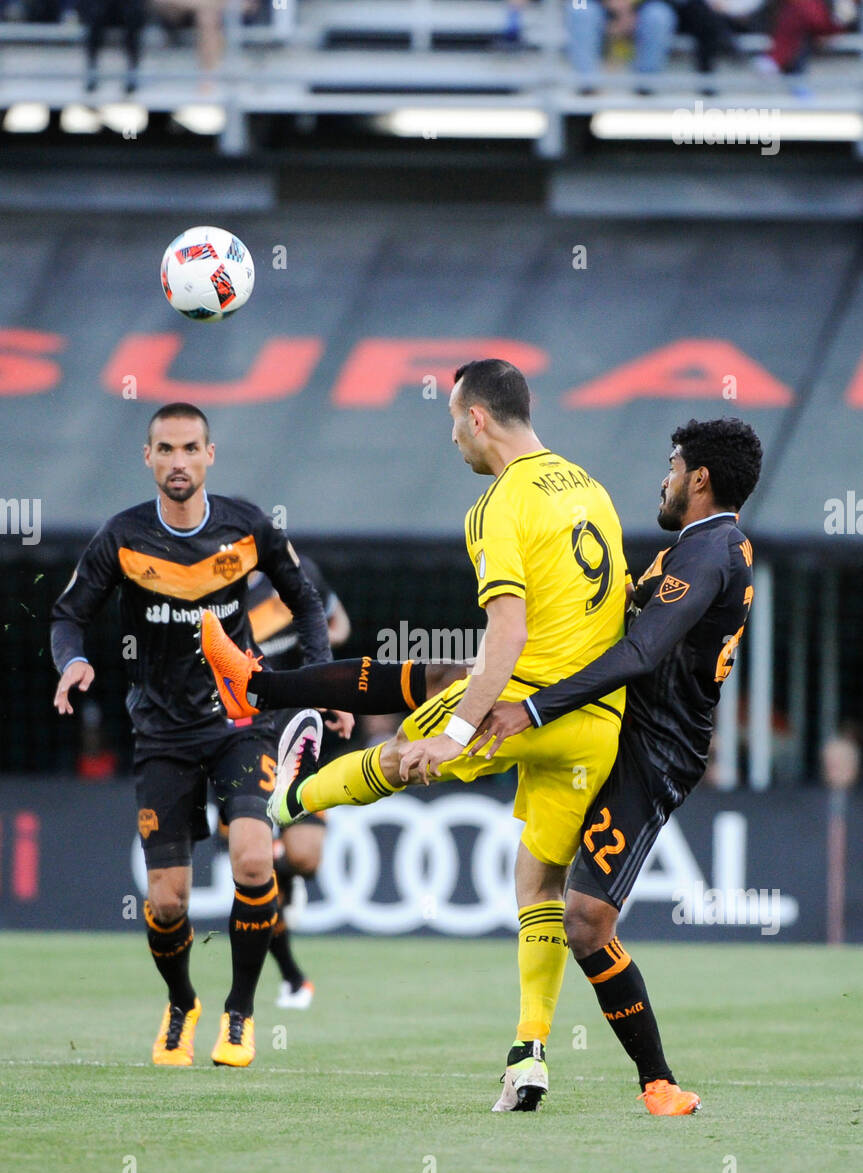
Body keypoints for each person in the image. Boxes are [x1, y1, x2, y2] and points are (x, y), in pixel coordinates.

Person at [202, 358, 629, 1113]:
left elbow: (509, 626)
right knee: (539, 889)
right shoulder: (589, 487)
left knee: (402, 754)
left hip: (519, 707)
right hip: (596, 721)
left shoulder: (497, 505)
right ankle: (528, 1052)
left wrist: (462, 728)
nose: (453, 443)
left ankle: (278, 802)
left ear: (476, 420)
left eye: (451, 424)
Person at [469, 418, 762, 1114]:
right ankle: (528, 1050)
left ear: (697, 479)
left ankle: (656, 1082)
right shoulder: (692, 548)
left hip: (653, 750)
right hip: (612, 730)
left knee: (586, 922)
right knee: (535, 869)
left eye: (670, 465)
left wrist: (532, 707)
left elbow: (639, 655)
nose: (660, 478)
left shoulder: (709, 553)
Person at [51, 401, 350, 1069]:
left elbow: (306, 601)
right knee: (167, 900)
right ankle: (181, 1002)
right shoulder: (122, 537)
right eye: (166, 449)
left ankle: (239, 1012)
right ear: (148, 458)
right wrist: (72, 661)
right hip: (160, 732)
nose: (179, 461)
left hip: (241, 724)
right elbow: (68, 615)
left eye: (191, 448)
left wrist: (320, 681)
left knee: (251, 859)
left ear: (210, 454)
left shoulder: (246, 527)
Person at [246, 557, 352, 1009]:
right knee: (253, 872)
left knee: (304, 858)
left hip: (298, 728)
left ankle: (285, 871)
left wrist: (317, 664)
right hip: (239, 736)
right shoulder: (208, 588)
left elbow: (339, 624)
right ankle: (292, 978)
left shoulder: (299, 573)